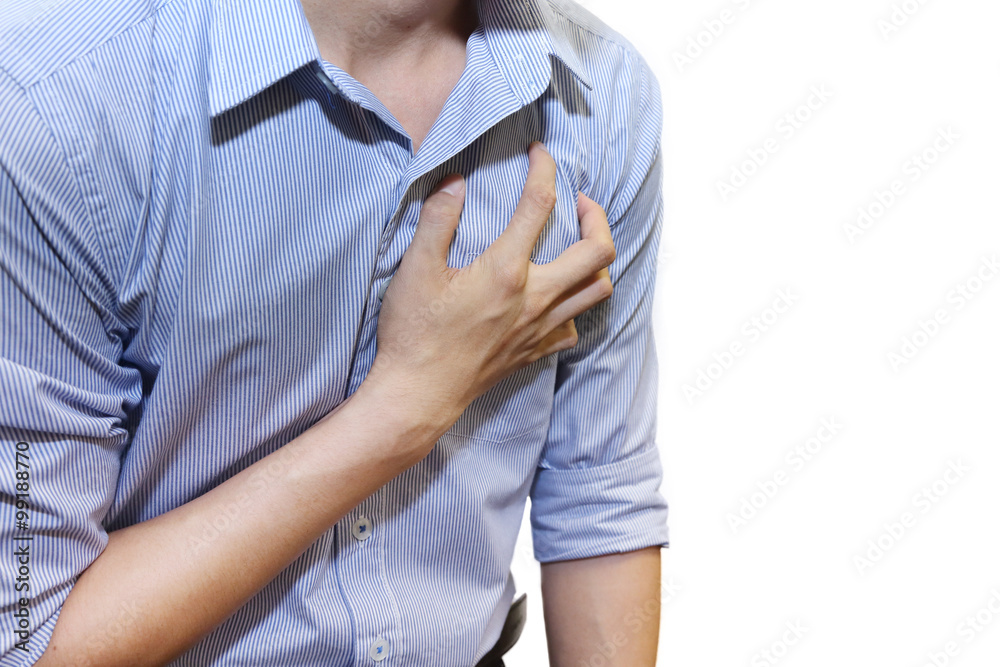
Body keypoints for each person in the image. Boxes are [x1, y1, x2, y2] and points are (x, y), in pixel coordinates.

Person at [0, 0, 669, 664]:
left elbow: (599, 496)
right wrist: (404, 406)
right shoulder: (55, 108)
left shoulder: (604, 94)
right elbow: (28, 640)